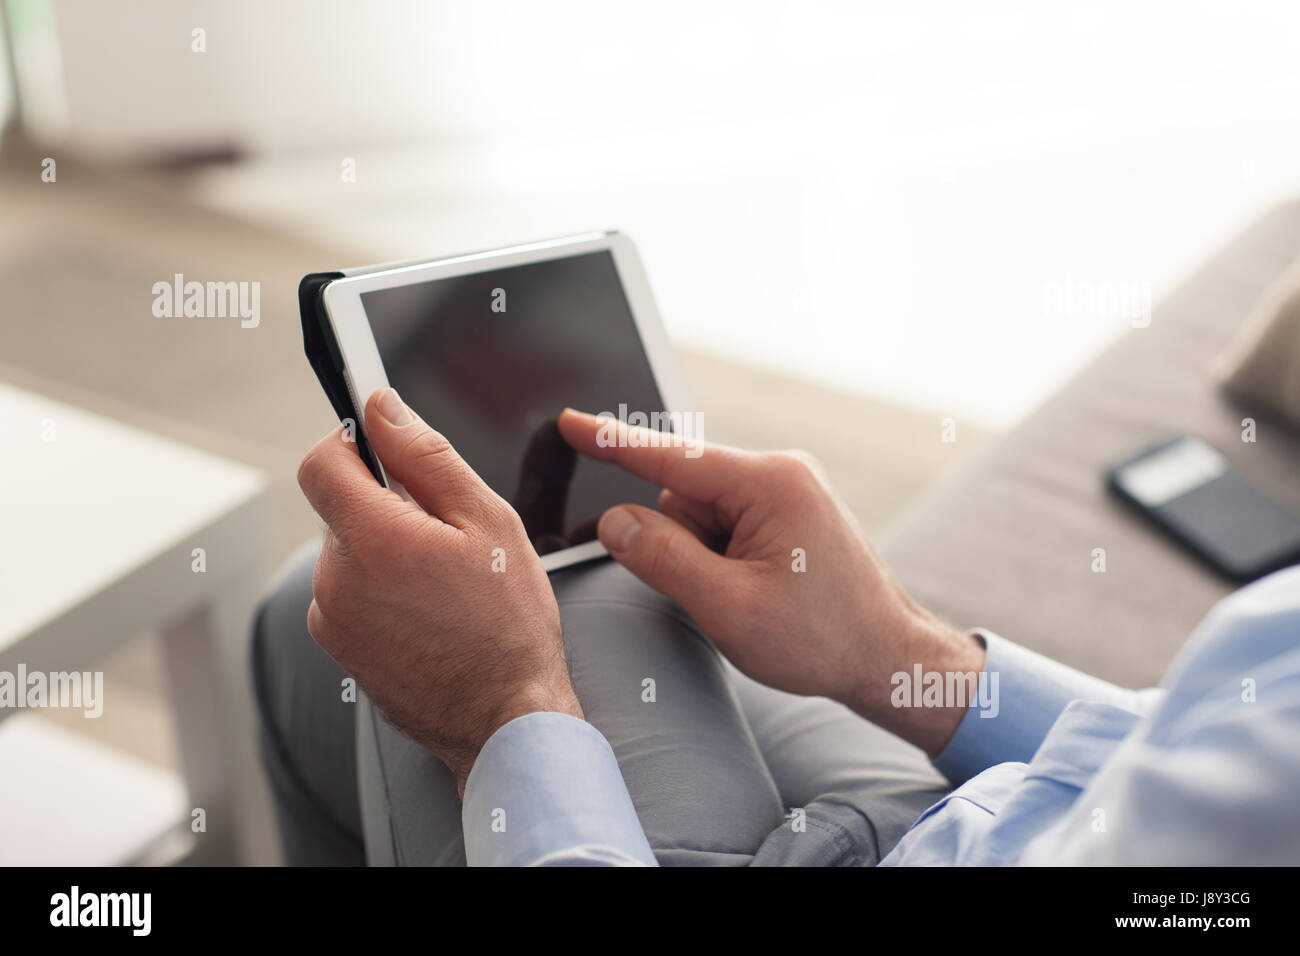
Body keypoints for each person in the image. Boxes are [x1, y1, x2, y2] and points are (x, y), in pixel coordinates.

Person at [253, 387, 1300, 865]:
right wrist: (899, 654)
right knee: (327, 597)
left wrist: (502, 712)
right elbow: (1205, 770)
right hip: (991, 810)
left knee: (334, 611)